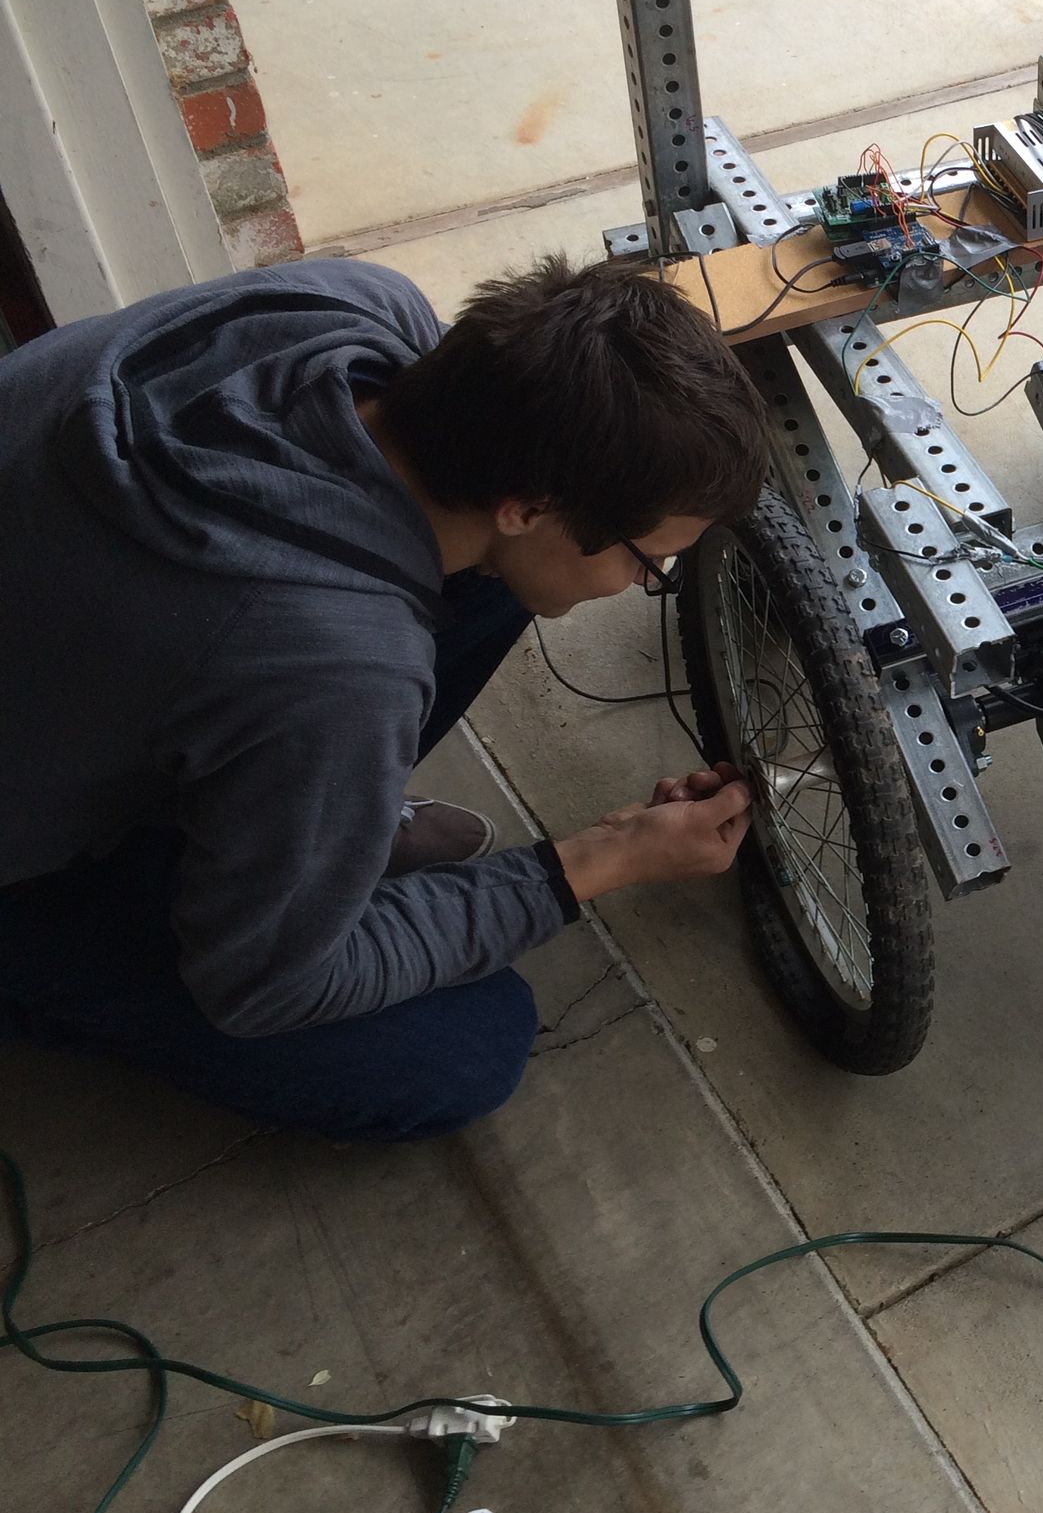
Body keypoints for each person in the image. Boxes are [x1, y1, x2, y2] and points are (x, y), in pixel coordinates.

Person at [0, 254, 767, 1138]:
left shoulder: (352, 305)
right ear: (527, 504)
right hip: (26, 863)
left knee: (495, 584)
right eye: (645, 560)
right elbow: (270, 988)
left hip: (67, 641)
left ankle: (294, 814)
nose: (643, 584)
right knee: (466, 1047)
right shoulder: (335, 668)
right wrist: (601, 858)